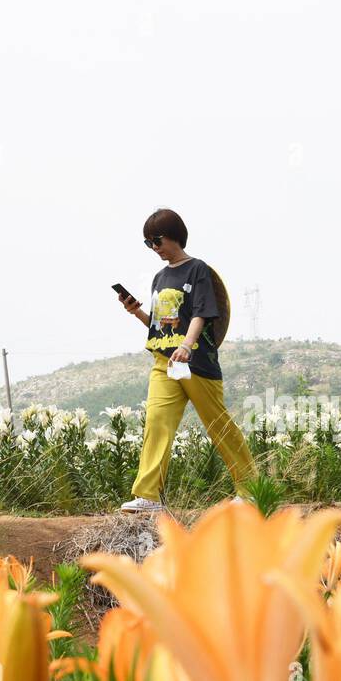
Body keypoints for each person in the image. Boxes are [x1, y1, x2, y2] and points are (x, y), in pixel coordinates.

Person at [116, 208, 256, 513]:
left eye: (156, 240)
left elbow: (202, 313)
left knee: (218, 424)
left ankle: (250, 489)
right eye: (147, 243)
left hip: (196, 362)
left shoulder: (197, 269)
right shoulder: (159, 277)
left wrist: (188, 346)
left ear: (174, 236)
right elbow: (161, 326)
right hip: (164, 361)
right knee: (156, 422)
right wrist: (137, 312)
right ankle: (149, 496)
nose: (154, 248)